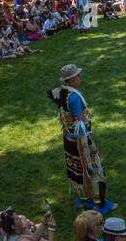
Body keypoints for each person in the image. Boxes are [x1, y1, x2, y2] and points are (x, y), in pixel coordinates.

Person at [47, 63, 113, 213]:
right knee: (94, 167)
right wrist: (88, 143)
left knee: (76, 167)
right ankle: (99, 202)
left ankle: (83, 197)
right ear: (71, 79)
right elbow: (80, 122)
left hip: (68, 137)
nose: (79, 77)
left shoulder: (61, 92)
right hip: (79, 140)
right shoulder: (75, 97)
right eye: (77, 75)